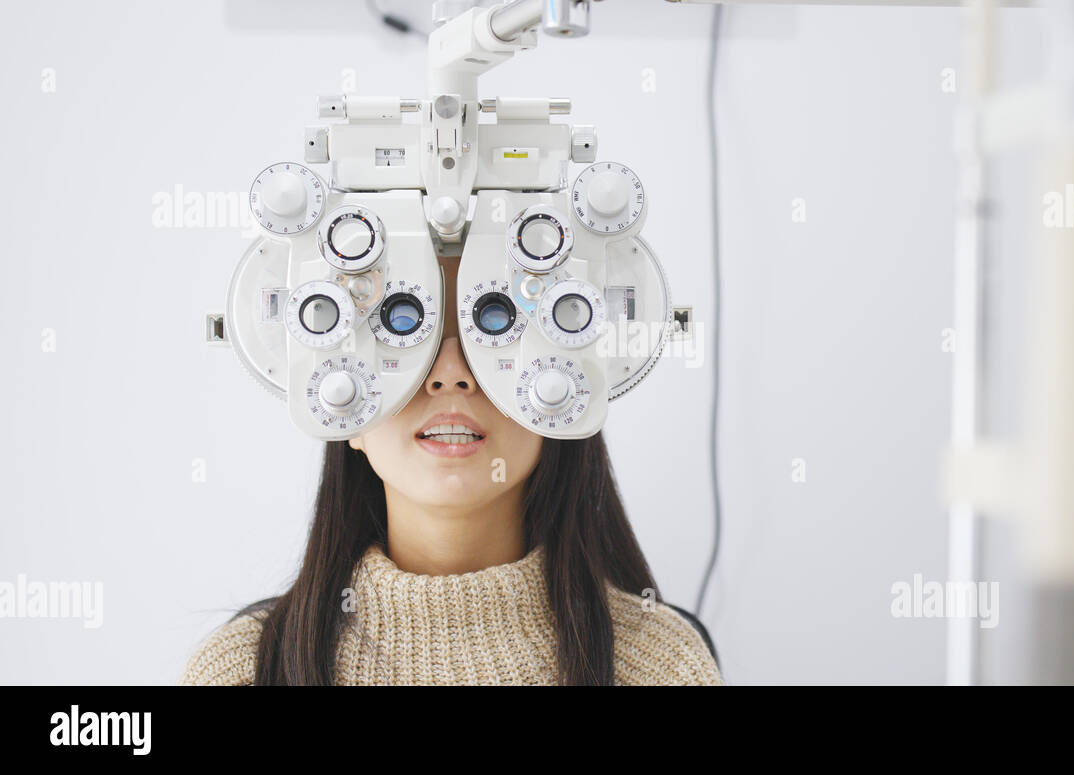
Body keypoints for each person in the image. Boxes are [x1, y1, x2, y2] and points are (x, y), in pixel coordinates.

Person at [180, 254, 722, 686]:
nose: (450, 375)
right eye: (402, 329)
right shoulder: (240, 673)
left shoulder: (660, 668)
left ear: (562, 395)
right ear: (344, 406)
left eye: (497, 325)